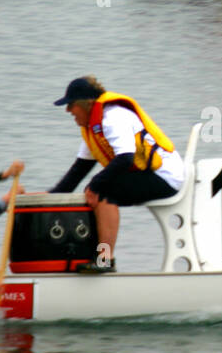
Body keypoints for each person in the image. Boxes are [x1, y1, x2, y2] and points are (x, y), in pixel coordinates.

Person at [50, 77, 184, 273]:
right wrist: (47, 198)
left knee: (102, 193)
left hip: (166, 178)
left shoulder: (113, 118)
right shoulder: (93, 127)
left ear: (86, 104)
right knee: (92, 192)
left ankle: (104, 260)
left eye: (70, 105)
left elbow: (126, 158)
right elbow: (78, 171)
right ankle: (91, 257)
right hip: (148, 175)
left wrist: (96, 185)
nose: (68, 111)